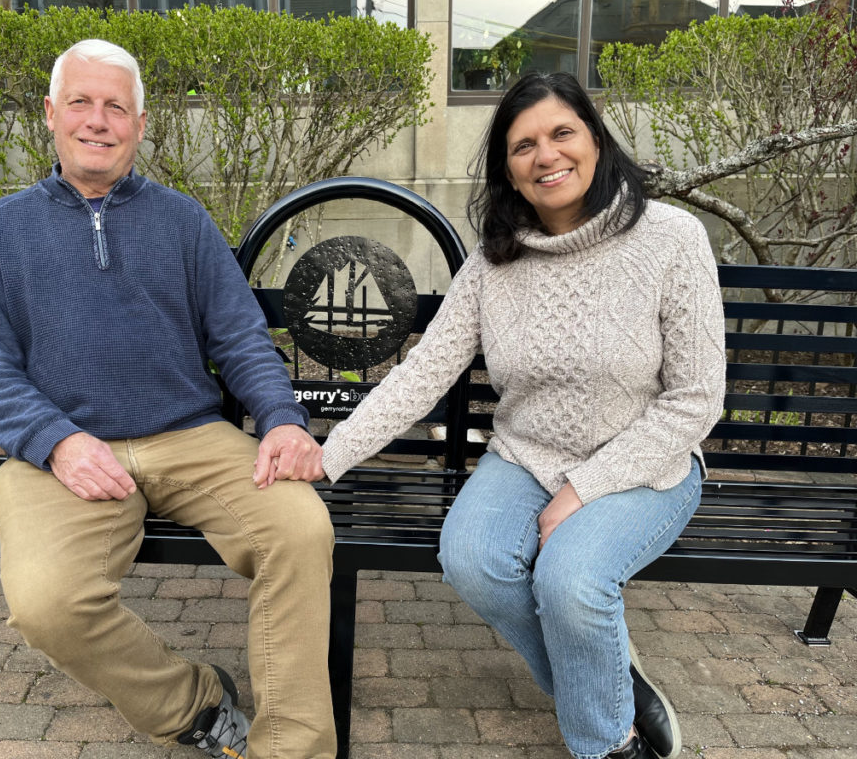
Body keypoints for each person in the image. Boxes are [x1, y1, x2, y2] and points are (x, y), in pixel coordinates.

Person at [304, 72, 726, 759]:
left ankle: (606, 741)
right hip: (525, 456)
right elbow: (424, 374)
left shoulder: (671, 238)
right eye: (523, 144)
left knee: (571, 580)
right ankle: (611, 678)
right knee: (472, 560)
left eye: (562, 132)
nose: (546, 155)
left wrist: (585, 489)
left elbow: (696, 400)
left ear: (595, 139)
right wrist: (330, 454)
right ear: (508, 168)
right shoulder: (494, 262)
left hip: (647, 462)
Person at [0, 39, 336, 759]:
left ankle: (290, 749)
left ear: (139, 123)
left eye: (116, 107)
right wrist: (57, 441)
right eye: (80, 102)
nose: (97, 121)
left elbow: (240, 339)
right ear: (50, 114)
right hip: (63, 452)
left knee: (300, 530)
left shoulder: (184, 221)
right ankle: (190, 703)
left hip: (191, 437)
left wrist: (283, 421)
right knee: (47, 604)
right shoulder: (2, 232)